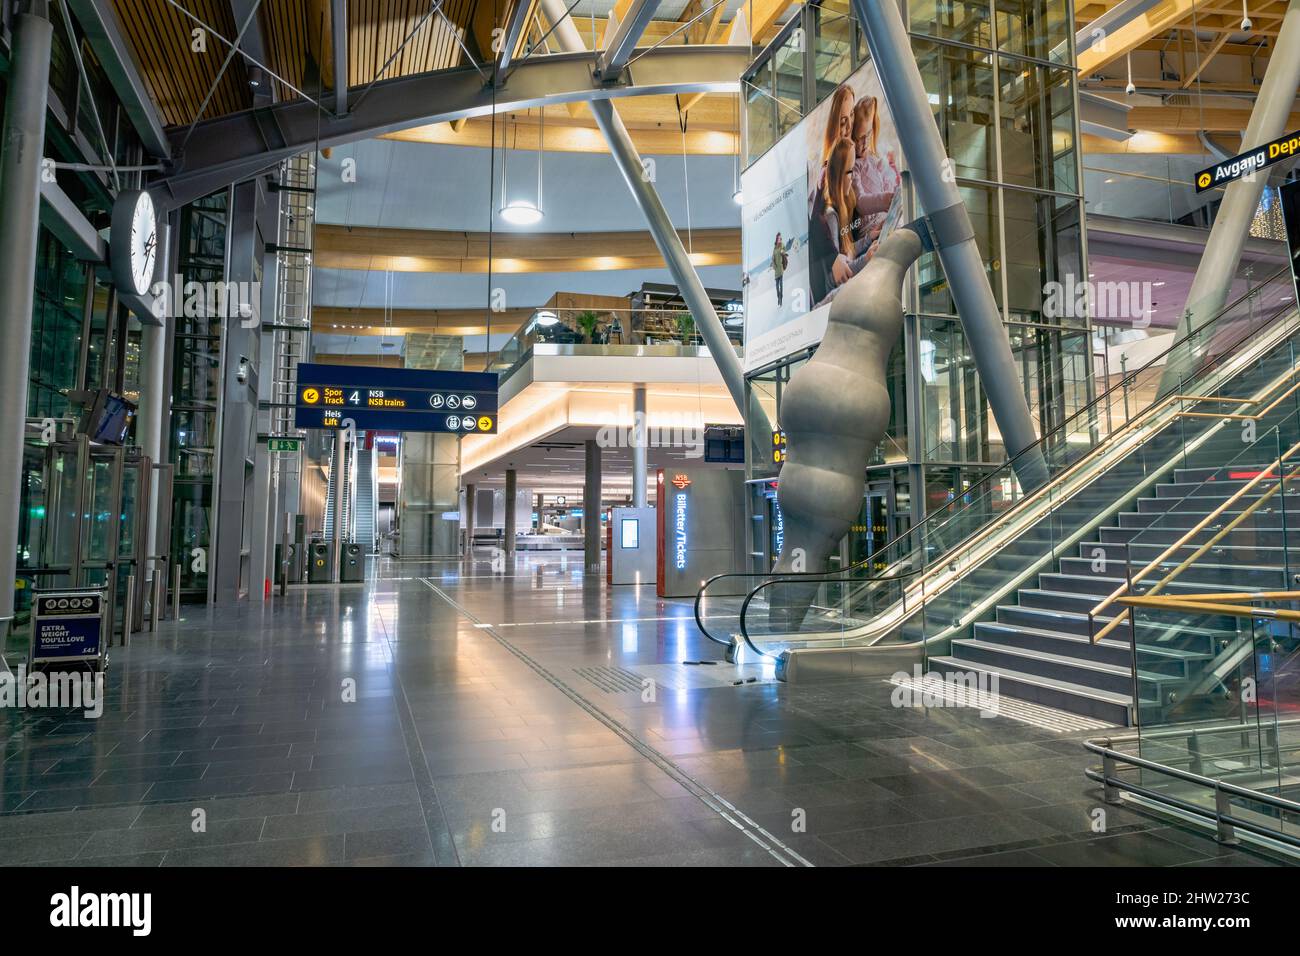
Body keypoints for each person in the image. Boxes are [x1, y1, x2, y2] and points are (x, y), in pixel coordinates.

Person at [850, 96, 900, 241]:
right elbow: (860, 202)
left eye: (868, 135)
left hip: (887, 221)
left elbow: (888, 183)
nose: (865, 142)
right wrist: (885, 200)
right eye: (859, 138)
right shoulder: (853, 167)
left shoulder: (875, 159)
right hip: (869, 230)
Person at [772, 232, 787, 306]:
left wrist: (783, 252)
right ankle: (779, 297)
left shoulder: (782, 245)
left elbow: (784, 250)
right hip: (776, 269)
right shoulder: (775, 248)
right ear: (777, 239)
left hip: (780, 268)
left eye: (780, 238)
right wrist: (774, 266)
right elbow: (773, 258)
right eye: (779, 238)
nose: (780, 239)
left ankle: (781, 299)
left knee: (781, 285)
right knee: (777, 287)